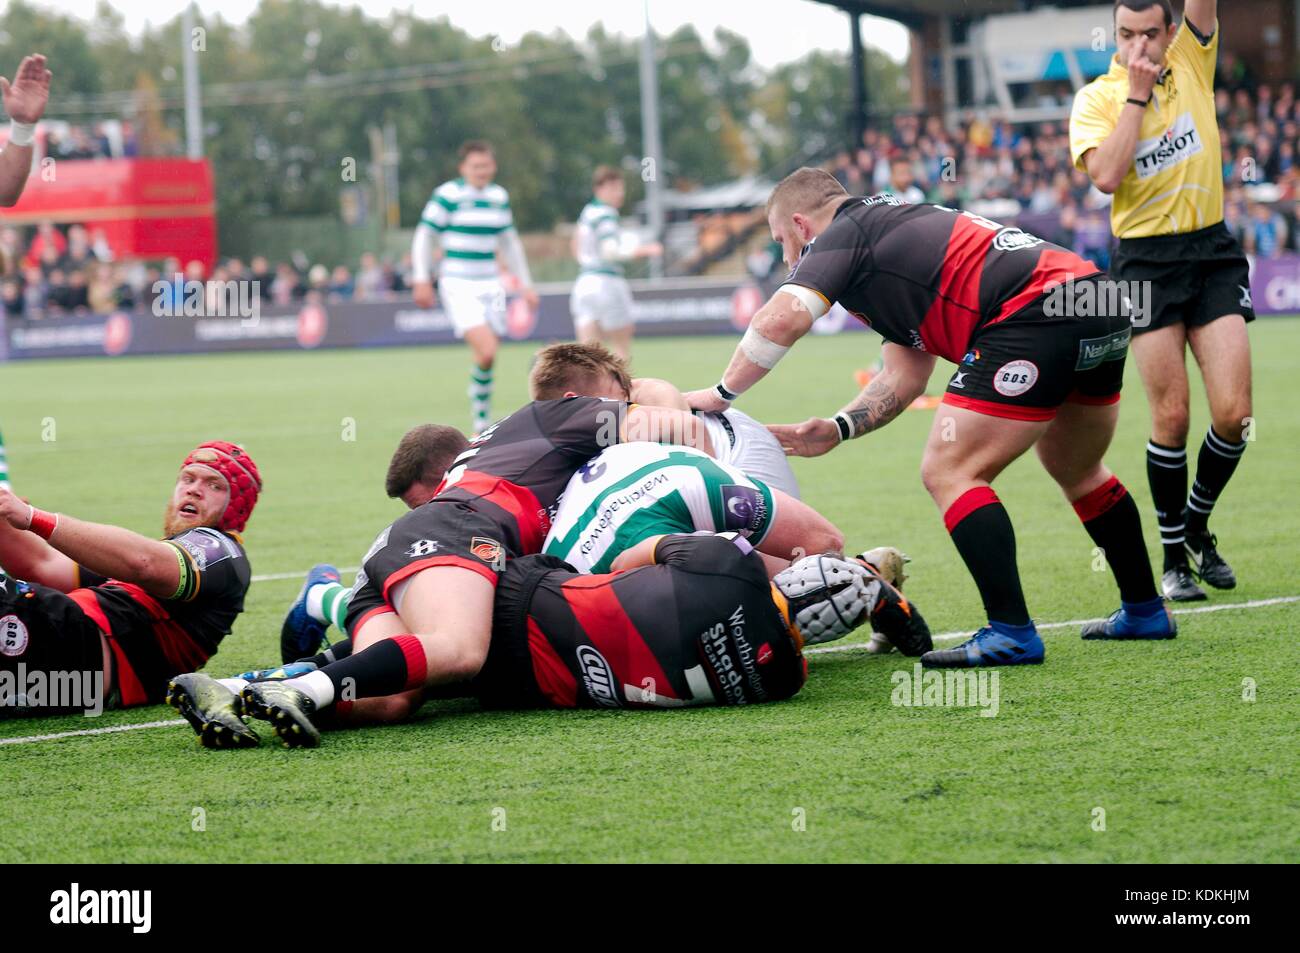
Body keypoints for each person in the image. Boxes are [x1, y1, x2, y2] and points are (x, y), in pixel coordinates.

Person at [684, 168, 1175, 668]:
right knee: (1078, 470)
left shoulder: (844, 232)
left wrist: (721, 394)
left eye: (782, 242)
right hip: (1096, 301)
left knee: (950, 471)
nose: (787, 259)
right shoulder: (886, 240)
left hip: (1035, 309)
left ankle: (1011, 633)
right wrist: (838, 428)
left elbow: (781, 318)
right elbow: (903, 378)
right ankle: (1144, 610)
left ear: (802, 225)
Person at [223, 353, 714, 737]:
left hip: (402, 551)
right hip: (460, 531)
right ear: (577, 397)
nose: (625, 401)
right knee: (459, 650)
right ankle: (304, 689)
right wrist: (712, 477)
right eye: (618, 394)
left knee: (390, 699)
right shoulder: (564, 415)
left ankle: (240, 692)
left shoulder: (524, 441)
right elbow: (677, 426)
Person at [171, 535, 924, 748]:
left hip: (533, 604)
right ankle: (266, 685)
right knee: (403, 699)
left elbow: (630, 561)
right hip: (529, 687)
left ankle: (264, 681)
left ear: (796, 574)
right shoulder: (785, 681)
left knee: (417, 656)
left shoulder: (730, 562)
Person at [1070, 0, 1251, 601]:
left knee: (1234, 415)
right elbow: (1107, 177)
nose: (1140, 46)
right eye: (1127, 35)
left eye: (1151, 33)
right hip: (1143, 262)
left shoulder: (1192, 59)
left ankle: (1197, 524)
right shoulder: (1098, 98)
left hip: (1211, 250)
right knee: (1171, 415)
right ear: (1114, 36)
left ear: (1171, 32)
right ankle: (1173, 558)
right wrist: (1137, 98)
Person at [0, 442, 259, 715]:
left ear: (236, 508)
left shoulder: (224, 553)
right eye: (188, 478)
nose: (193, 489)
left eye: (214, 485)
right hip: (57, 679)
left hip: (77, 647)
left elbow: (144, 563)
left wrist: (31, 517)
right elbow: (41, 565)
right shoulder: (141, 560)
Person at [410, 140, 540, 434]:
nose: (481, 171)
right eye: (475, 166)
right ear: (463, 168)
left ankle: (480, 418)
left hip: (491, 284)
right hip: (458, 282)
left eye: (486, 165)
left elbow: (510, 244)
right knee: (486, 350)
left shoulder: (498, 197)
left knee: (488, 355)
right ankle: (480, 423)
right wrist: (421, 277)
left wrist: (526, 285)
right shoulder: (448, 195)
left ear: (493, 166)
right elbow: (424, 235)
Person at [570, 165, 662, 360]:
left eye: (621, 188)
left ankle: (590, 392)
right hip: (607, 283)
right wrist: (643, 250)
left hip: (584, 282)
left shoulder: (587, 213)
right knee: (622, 353)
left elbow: (575, 246)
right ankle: (617, 391)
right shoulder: (606, 213)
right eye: (613, 188)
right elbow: (610, 251)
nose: (619, 193)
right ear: (599, 189)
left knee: (588, 358)